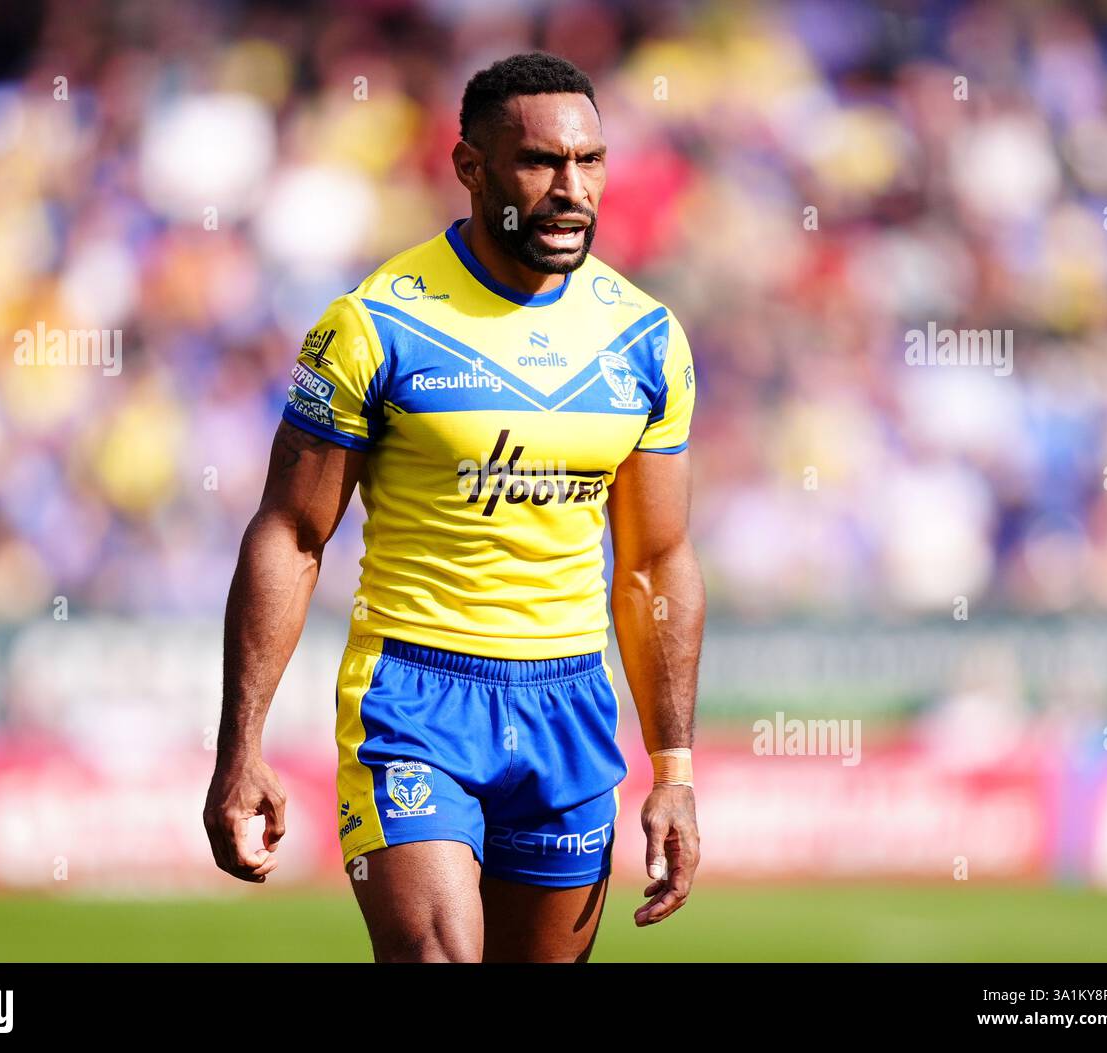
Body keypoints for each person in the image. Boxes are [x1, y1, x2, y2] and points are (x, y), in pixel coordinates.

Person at [205, 51, 703, 963]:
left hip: (570, 705)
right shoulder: (375, 324)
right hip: (414, 699)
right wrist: (243, 744)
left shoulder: (645, 339)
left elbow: (653, 565)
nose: (571, 189)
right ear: (470, 166)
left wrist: (673, 771)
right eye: (540, 163)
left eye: (590, 161)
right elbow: (290, 532)